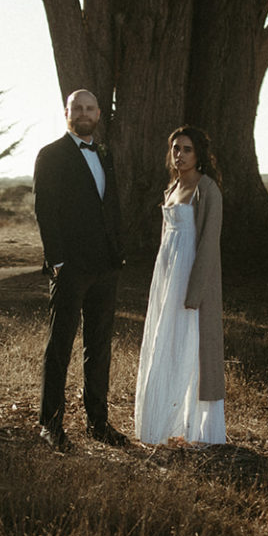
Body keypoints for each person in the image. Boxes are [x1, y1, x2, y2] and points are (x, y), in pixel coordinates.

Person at [32, 89, 129, 451]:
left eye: (90, 108)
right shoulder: (51, 155)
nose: (84, 113)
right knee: (60, 345)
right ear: (67, 112)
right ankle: (50, 424)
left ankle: (98, 423)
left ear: (99, 114)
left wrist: (118, 252)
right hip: (70, 268)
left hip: (106, 266)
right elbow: (45, 210)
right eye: (78, 108)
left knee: (99, 346)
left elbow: (111, 206)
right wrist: (56, 261)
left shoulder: (104, 154)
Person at [134, 124, 226, 447]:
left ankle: (198, 426)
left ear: (199, 154)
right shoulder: (172, 188)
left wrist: (196, 291)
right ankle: (162, 421)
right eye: (176, 148)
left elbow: (209, 243)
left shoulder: (207, 189)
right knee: (166, 337)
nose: (180, 155)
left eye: (187, 149)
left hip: (190, 272)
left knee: (191, 342)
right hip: (168, 271)